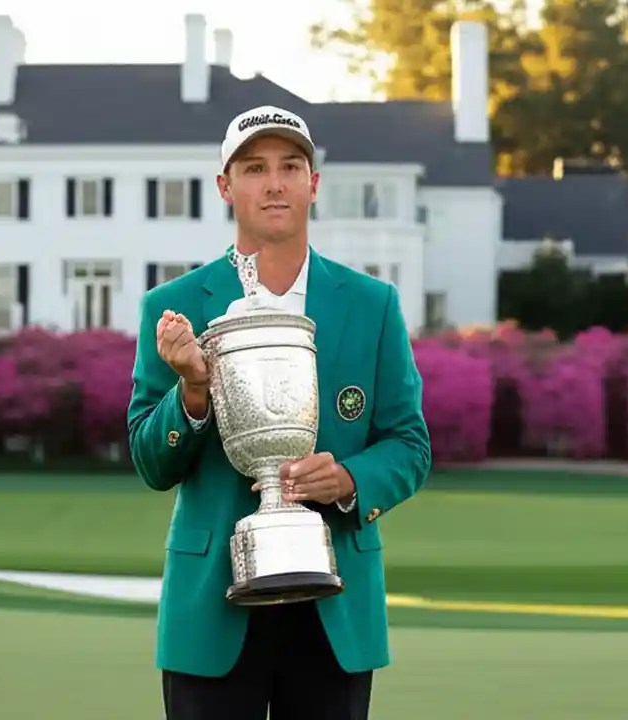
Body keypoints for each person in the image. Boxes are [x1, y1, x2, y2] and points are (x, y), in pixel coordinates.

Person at [126, 104, 431, 720]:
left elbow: (409, 444)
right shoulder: (175, 305)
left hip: (333, 607)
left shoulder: (372, 304)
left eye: (291, 166)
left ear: (313, 184)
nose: (274, 183)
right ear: (225, 186)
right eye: (254, 168)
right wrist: (190, 392)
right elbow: (149, 462)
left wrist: (349, 480)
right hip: (212, 606)